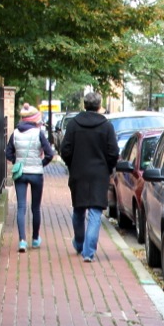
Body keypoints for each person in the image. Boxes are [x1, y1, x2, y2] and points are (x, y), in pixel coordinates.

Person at [59, 91, 118, 262]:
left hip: (78, 172)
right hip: (99, 174)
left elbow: (65, 150)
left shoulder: (73, 125)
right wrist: (107, 166)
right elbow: (113, 152)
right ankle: (88, 252)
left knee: (78, 209)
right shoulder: (106, 126)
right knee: (95, 212)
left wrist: (72, 164)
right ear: (99, 106)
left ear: (84, 105)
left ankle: (79, 243)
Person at [5, 103, 55, 252]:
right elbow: (50, 154)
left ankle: (21, 241)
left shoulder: (15, 133)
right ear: (34, 120)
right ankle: (35, 239)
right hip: (36, 174)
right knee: (35, 208)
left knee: (21, 207)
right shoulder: (38, 133)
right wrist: (41, 163)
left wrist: (17, 161)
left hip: (20, 174)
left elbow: (8, 153)